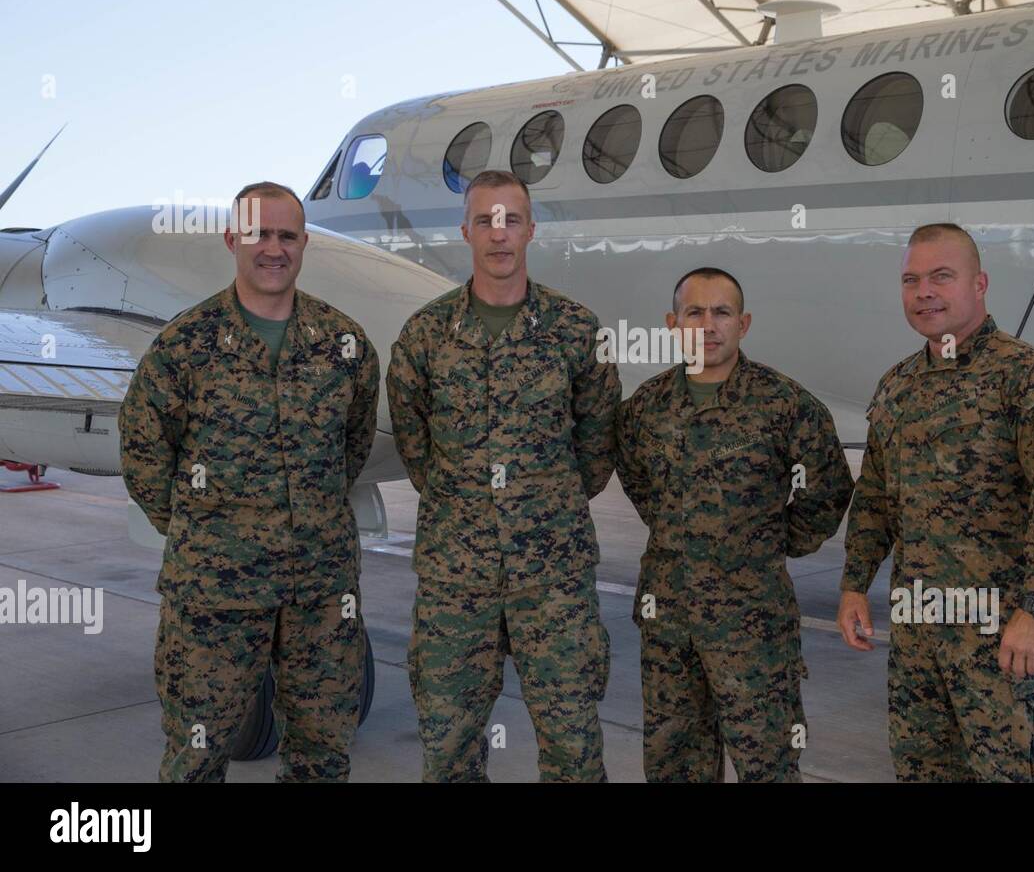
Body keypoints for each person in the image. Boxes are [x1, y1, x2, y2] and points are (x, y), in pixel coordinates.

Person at [120, 181, 380, 781]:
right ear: (233, 239)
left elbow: (353, 443)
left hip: (320, 590)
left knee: (323, 752)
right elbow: (143, 453)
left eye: (287, 235)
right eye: (260, 233)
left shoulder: (342, 344)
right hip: (214, 593)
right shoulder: (185, 346)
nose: (274, 248)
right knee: (198, 753)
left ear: (304, 244)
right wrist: (203, 533)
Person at [386, 169, 622, 782]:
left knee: (574, 749)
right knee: (447, 749)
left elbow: (596, 448)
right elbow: (417, 449)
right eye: (486, 220)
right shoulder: (425, 336)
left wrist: (544, 504)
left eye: (511, 219)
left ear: (530, 230)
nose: (499, 234)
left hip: (554, 577)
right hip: (454, 581)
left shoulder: (575, 330)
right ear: (466, 231)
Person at [837, 222, 1034, 782]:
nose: (924, 291)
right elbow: (876, 496)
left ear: (979, 284)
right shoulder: (897, 386)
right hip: (919, 642)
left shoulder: (1031, 380)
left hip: (1005, 639)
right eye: (911, 280)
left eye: (940, 277)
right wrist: (855, 583)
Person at [616, 267, 853, 781]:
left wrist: (773, 541)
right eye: (694, 312)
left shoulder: (784, 404)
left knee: (766, 763)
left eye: (721, 312)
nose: (708, 324)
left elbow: (828, 490)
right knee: (673, 763)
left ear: (743, 323)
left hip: (753, 627)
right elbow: (636, 479)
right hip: (668, 626)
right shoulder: (645, 409)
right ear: (672, 323)